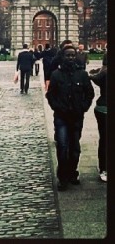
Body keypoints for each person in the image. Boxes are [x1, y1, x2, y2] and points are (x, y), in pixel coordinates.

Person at [46, 45, 95, 191]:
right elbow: (50, 95)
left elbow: (89, 93)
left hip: (76, 116)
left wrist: (83, 107)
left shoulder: (82, 75)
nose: (71, 58)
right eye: (68, 55)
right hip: (61, 117)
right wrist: (56, 107)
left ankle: (72, 172)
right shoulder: (56, 74)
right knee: (62, 146)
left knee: (74, 148)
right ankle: (62, 177)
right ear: (63, 57)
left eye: (73, 55)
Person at [89, 51, 107, 182]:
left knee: (104, 140)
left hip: (102, 108)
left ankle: (104, 169)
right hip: (104, 109)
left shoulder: (103, 73)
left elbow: (93, 76)